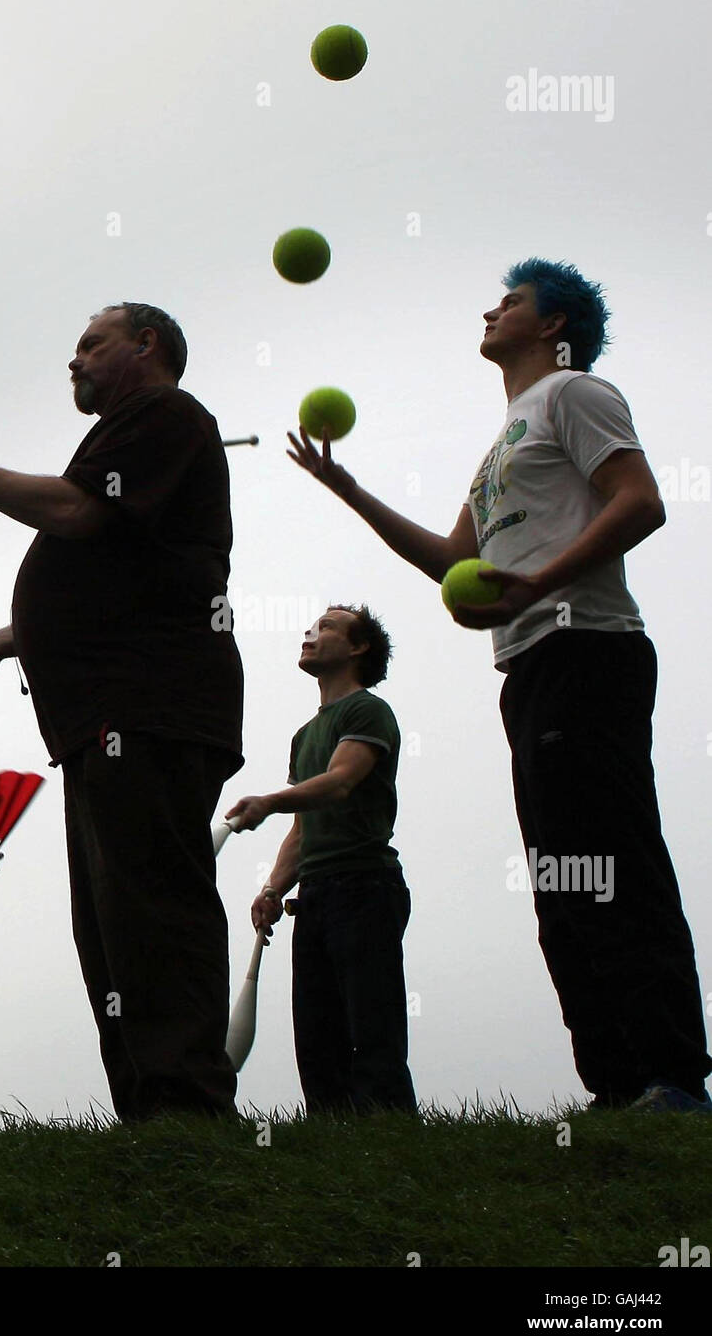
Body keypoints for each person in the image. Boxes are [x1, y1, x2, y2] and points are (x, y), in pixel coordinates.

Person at [287, 258, 711, 1113]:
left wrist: (539, 584)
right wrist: (350, 490)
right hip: (527, 667)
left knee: (612, 863)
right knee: (559, 875)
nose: (491, 307)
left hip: (588, 649)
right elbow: (454, 562)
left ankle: (673, 1075)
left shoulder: (573, 393)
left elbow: (640, 501)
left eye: (511, 300)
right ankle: (616, 1085)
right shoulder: (500, 445)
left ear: (554, 327)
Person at [0, 302, 244, 1121]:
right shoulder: (133, 431)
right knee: (113, 926)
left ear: (145, 344)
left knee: (152, 909)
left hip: (147, 707)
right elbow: (119, 568)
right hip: (107, 718)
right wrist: (4, 643)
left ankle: (187, 1109)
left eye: (90, 343)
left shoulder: (163, 412)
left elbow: (79, 512)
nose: (73, 361)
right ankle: (153, 1114)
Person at [226, 605, 417, 1114]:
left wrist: (268, 800)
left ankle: (390, 1137)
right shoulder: (303, 735)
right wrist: (273, 889)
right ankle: (332, 1144)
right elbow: (302, 827)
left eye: (327, 627)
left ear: (358, 648)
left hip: (365, 887)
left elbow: (340, 781)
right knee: (317, 1042)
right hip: (314, 898)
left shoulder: (367, 712)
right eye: (311, 626)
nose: (311, 633)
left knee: (372, 1034)